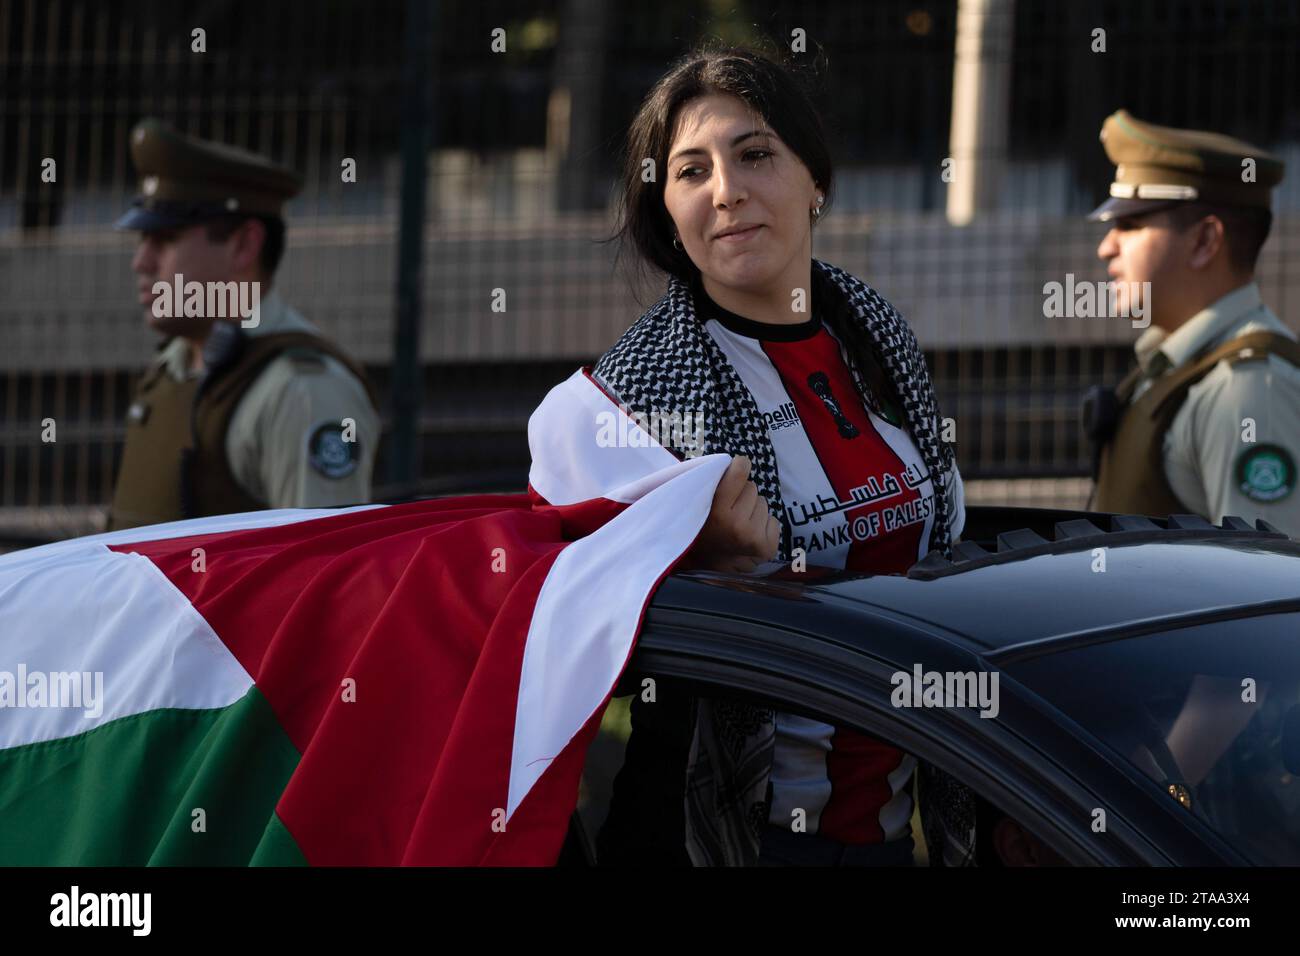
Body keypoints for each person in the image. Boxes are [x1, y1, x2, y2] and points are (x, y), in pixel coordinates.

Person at [586, 45, 966, 866]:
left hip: (892, 835)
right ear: (669, 213)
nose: (727, 191)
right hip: (718, 844)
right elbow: (570, 636)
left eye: (755, 154)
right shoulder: (631, 393)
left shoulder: (877, 334)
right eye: (690, 172)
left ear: (814, 179)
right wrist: (686, 565)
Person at [108, 118, 379, 531]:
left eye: (165, 239)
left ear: (244, 245)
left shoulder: (302, 391)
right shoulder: (173, 366)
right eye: (142, 241)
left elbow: (320, 577)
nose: (141, 262)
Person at [1083, 110, 1300, 535]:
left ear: (1205, 241)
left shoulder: (1250, 390)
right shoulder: (1173, 366)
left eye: (1130, 224)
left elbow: (1266, 589)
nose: (1106, 247)